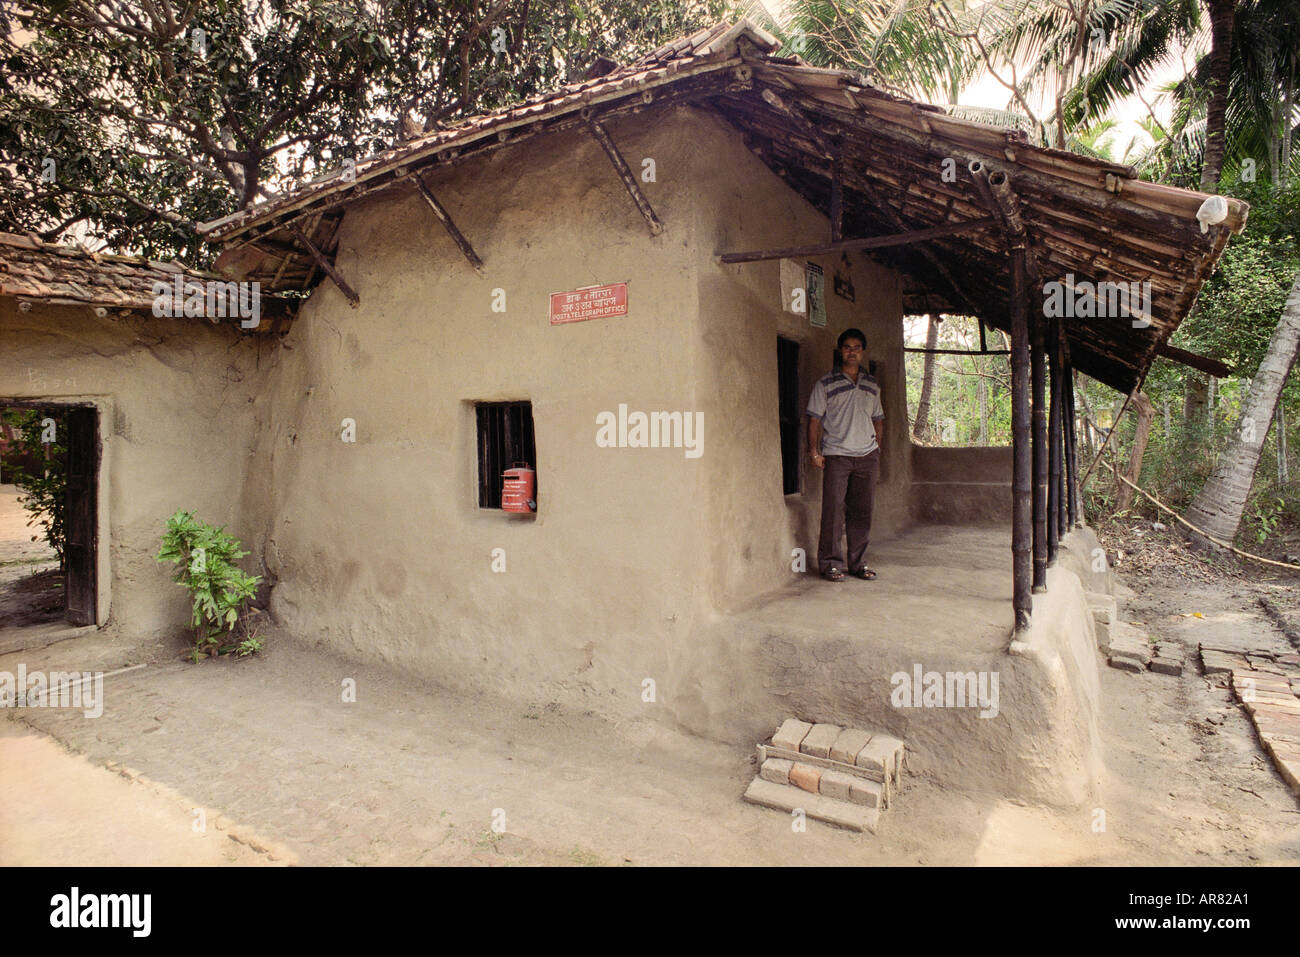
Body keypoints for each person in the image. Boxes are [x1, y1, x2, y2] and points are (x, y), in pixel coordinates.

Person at [806, 328, 884, 582]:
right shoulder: (825, 383)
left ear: (862, 352)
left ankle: (858, 563)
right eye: (847, 347)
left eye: (857, 347)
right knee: (833, 511)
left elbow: (878, 419)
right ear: (840, 350)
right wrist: (814, 451)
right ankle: (830, 564)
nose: (852, 351)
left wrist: (877, 448)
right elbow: (814, 419)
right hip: (837, 455)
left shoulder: (872, 385)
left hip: (867, 457)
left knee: (862, 512)